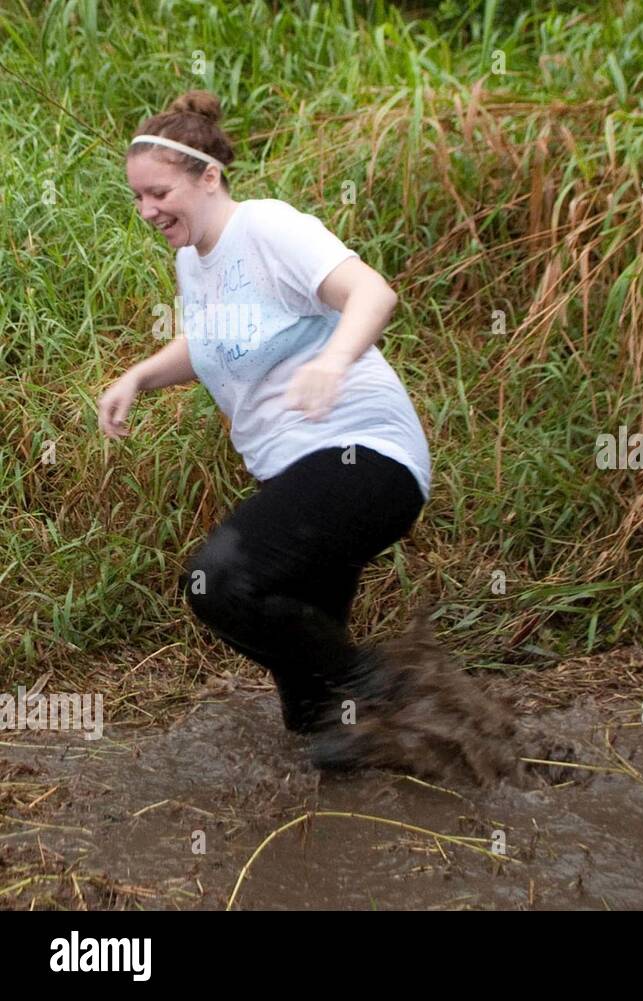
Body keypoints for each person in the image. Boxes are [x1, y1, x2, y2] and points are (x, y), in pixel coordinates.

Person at [97, 90, 432, 750]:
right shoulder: (194, 263)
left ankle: (384, 681)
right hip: (297, 478)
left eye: (158, 192)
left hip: (363, 459)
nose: (147, 211)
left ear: (209, 176)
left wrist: (334, 361)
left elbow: (371, 292)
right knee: (316, 723)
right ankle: (434, 748)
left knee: (216, 582)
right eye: (137, 198)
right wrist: (139, 374)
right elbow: (211, 341)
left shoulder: (268, 227)